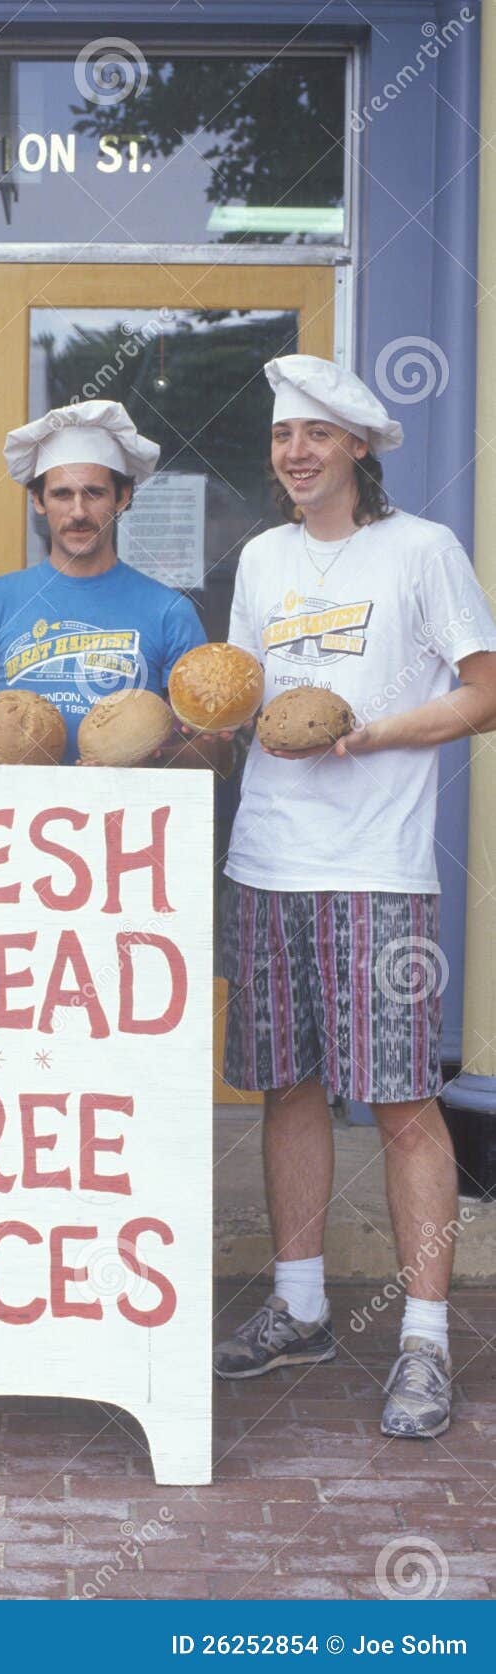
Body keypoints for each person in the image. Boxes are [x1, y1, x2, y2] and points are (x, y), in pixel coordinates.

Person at [215, 354, 496, 1438]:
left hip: (376, 867)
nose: (296, 454)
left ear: (359, 450)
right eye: (285, 437)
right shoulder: (260, 556)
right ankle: (298, 1306)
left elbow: (484, 689)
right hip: (268, 858)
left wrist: (376, 730)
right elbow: (240, 695)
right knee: (286, 1086)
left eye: (318, 437)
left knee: (401, 1103)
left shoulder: (419, 550)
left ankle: (422, 1337)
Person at [0, 399, 232, 776]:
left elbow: (217, 756)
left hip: (134, 826)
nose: (78, 512)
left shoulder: (168, 611)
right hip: (18, 822)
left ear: (122, 498)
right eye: (62, 494)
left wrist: (156, 759)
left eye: (93, 493)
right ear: (38, 500)